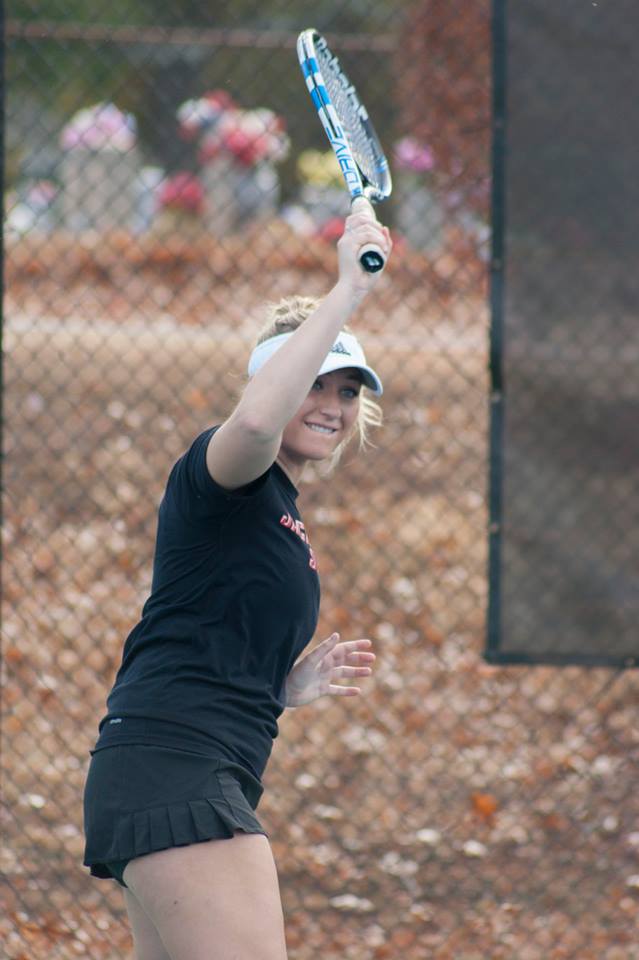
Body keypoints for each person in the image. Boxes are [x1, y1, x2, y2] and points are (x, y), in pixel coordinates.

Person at [82, 203, 392, 960]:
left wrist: (277, 688)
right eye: (318, 384)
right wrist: (346, 290)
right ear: (275, 385)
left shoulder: (277, 513)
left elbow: (201, 635)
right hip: (176, 768)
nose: (335, 406)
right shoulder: (222, 472)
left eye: (349, 392)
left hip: (179, 763)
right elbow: (254, 426)